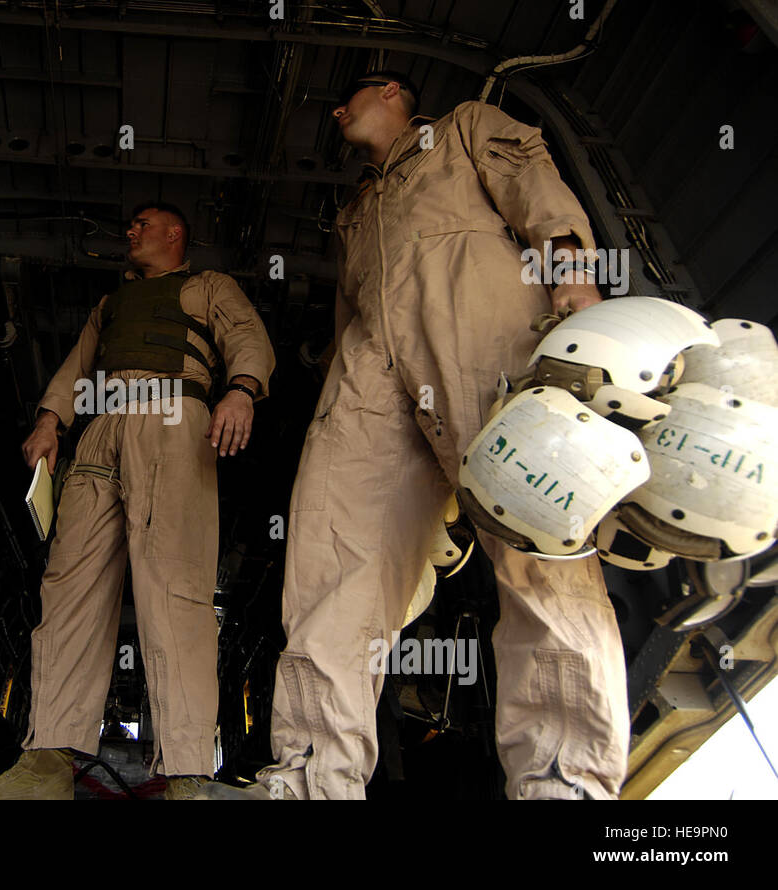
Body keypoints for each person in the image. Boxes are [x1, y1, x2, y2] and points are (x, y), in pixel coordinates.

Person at [200, 72, 626, 800]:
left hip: (480, 322)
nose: (336, 112)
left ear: (393, 91)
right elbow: (349, 310)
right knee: (334, 559)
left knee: (539, 541)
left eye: (348, 98)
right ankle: (311, 776)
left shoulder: (462, 125)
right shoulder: (355, 208)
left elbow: (530, 179)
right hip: (370, 368)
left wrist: (570, 269)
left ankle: (564, 780)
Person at [0, 204, 275, 799]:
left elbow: (247, 337)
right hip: (102, 427)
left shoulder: (208, 286)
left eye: (143, 223)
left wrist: (242, 391)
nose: (130, 231)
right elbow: (77, 366)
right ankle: (46, 761)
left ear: (175, 234)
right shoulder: (110, 304)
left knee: (174, 588)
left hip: (176, 418)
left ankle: (187, 773)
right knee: (68, 586)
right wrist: (50, 422)